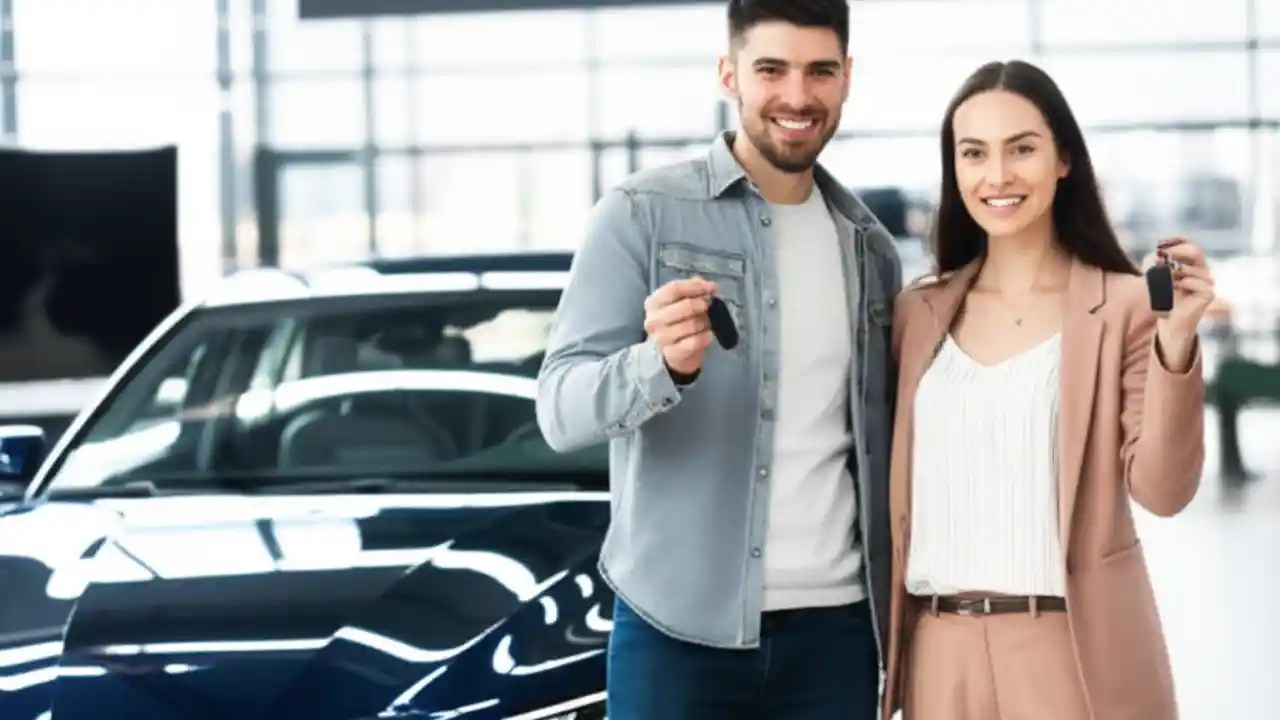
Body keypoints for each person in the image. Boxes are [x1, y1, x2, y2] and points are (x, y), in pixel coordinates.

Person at [536, 1, 901, 717]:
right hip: (676, 632)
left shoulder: (870, 249)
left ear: (847, 78)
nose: (797, 96)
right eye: (772, 69)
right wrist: (658, 366)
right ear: (729, 73)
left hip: (837, 634)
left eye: (819, 71)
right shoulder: (642, 214)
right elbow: (559, 410)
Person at [881, 59, 1214, 719]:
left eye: (1022, 149)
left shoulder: (1122, 306)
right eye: (973, 153)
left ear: (1064, 158)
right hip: (936, 653)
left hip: (1067, 652)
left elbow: (1164, 491)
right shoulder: (917, 314)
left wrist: (1176, 341)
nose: (996, 175)